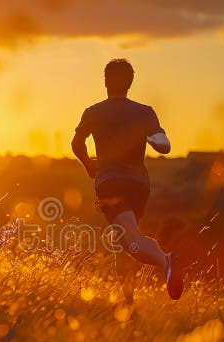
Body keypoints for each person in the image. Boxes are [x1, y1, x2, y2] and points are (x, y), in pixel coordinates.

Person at [71, 58, 184, 301]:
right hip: (139, 186)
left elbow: (76, 144)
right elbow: (162, 143)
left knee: (130, 239)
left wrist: (90, 166)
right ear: (130, 83)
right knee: (129, 241)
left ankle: (166, 261)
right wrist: (155, 140)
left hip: (110, 183)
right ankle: (127, 302)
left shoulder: (93, 112)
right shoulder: (145, 112)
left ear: (105, 82)